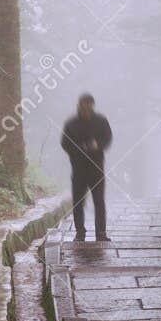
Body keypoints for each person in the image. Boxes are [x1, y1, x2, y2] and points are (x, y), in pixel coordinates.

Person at [61, 93, 113, 242]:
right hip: (78, 168)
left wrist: (98, 145)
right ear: (79, 105)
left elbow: (108, 138)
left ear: (93, 106)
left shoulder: (101, 121)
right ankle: (80, 232)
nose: (86, 110)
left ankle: (101, 233)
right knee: (78, 202)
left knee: (99, 201)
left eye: (89, 107)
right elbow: (65, 143)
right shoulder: (70, 123)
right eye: (83, 107)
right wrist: (78, 150)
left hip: (96, 168)